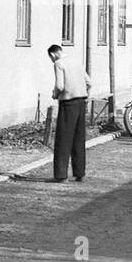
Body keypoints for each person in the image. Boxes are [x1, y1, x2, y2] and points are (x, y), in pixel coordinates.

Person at [47, 43, 89, 182]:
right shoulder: (77, 62)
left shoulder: (59, 63)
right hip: (81, 102)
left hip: (68, 102)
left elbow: (60, 85)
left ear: (53, 54)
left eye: (51, 58)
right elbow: (89, 82)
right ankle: (79, 173)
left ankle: (61, 175)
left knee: (63, 139)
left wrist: (55, 94)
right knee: (79, 138)